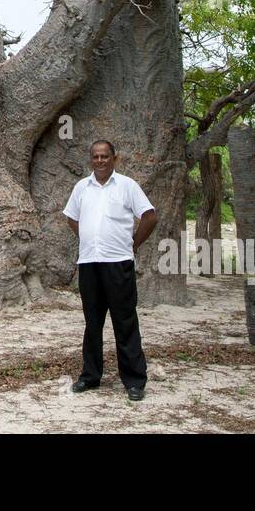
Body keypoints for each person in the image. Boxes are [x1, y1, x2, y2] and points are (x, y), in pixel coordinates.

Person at [63, 139, 158, 401]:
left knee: (124, 322)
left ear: (114, 159)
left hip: (119, 263)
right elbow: (72, 217)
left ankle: (135, 380)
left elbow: (150, 216)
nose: (100, 160)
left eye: (105, 156)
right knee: (92, 323)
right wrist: (88, 238)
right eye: (95, 156)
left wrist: (133, 243)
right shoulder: (82, 187)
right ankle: (90, 376)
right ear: (90, 159)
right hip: (89, 263)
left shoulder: (127, 186)